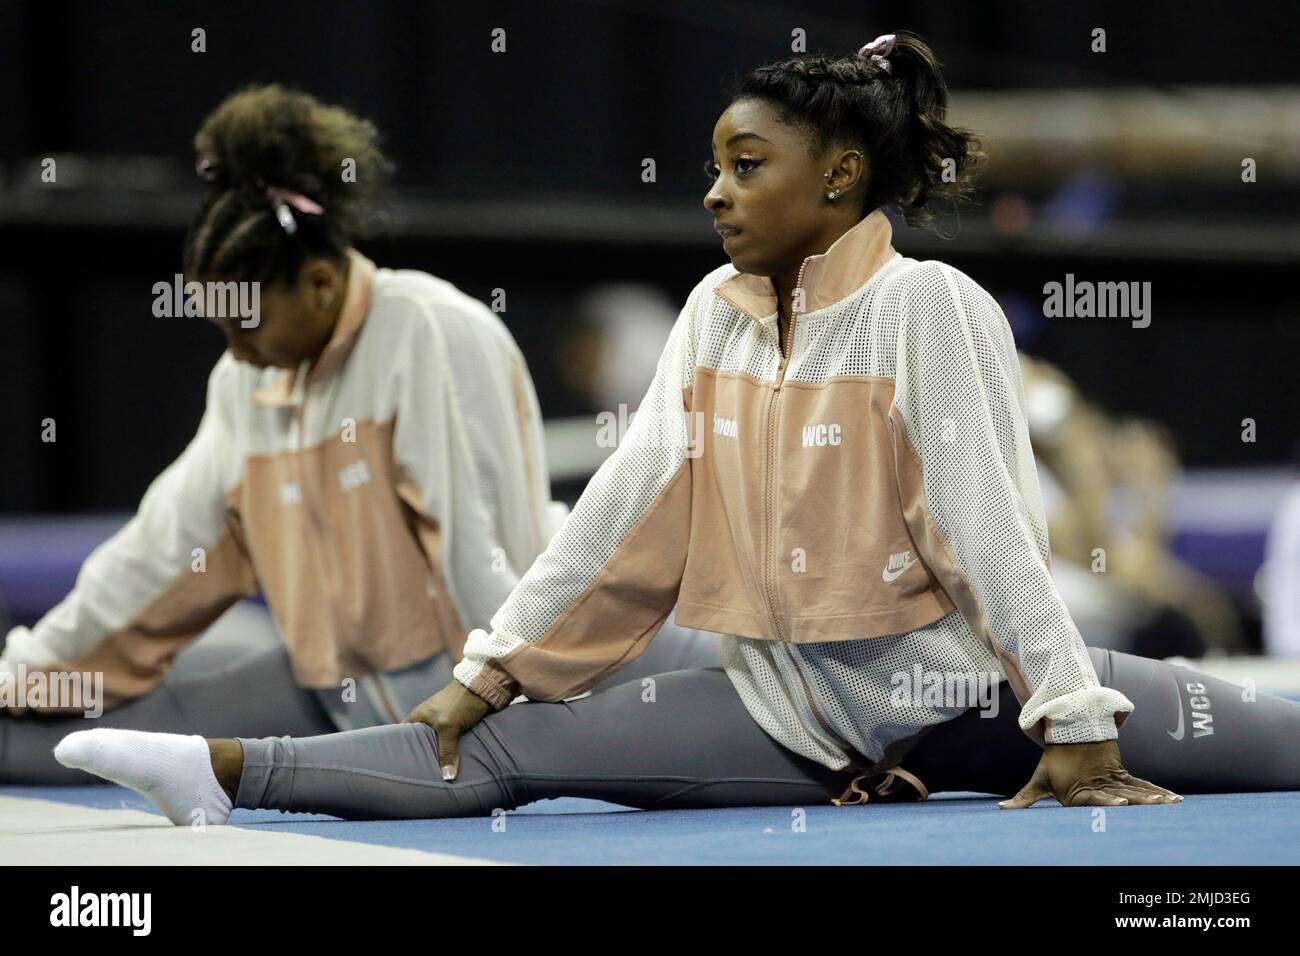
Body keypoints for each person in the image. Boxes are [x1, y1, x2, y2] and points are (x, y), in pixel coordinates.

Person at [54, 36, 1300, 821]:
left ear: (838, 177)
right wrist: (490, 672)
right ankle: (221, 772)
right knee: (500, 754)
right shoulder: (714, 315)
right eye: (711, 165)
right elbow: (622, 519)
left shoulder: (926, 307)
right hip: (792, 713)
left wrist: (1074, 721)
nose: (712, 190)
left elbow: (992, 533)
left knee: (1279, 745)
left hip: (982, 694)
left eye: (744, 164)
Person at [1, 85, 716, 784]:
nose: (235, 348)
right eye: (218, 325)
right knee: (67, 743)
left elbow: (485, 561)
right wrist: (29, 676)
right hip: (336, 692)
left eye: (246, 323)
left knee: (752, 705)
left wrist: (492, 704)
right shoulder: (243, 383)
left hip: (521, 674)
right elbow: (154, 560)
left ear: (318, 284)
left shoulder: (430, 333)